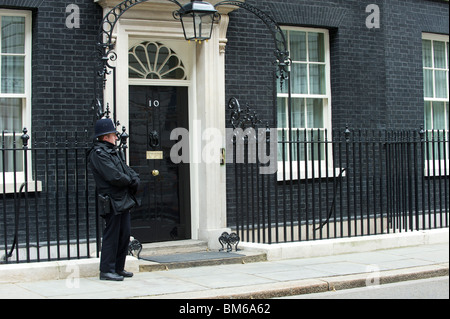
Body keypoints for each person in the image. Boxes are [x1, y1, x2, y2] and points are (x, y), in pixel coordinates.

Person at [88, 118, 140, 281]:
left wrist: (134, 177)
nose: (116, 137)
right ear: (105, 137)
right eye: (113, 135)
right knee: (112, 236)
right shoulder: (98, 154)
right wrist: (130, 181)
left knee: (124, 235)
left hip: (122, 199)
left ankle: (118, 267)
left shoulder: (112, 151)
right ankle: (106, 270)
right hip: (111, 200)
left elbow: (125, 169)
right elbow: (114, 176)